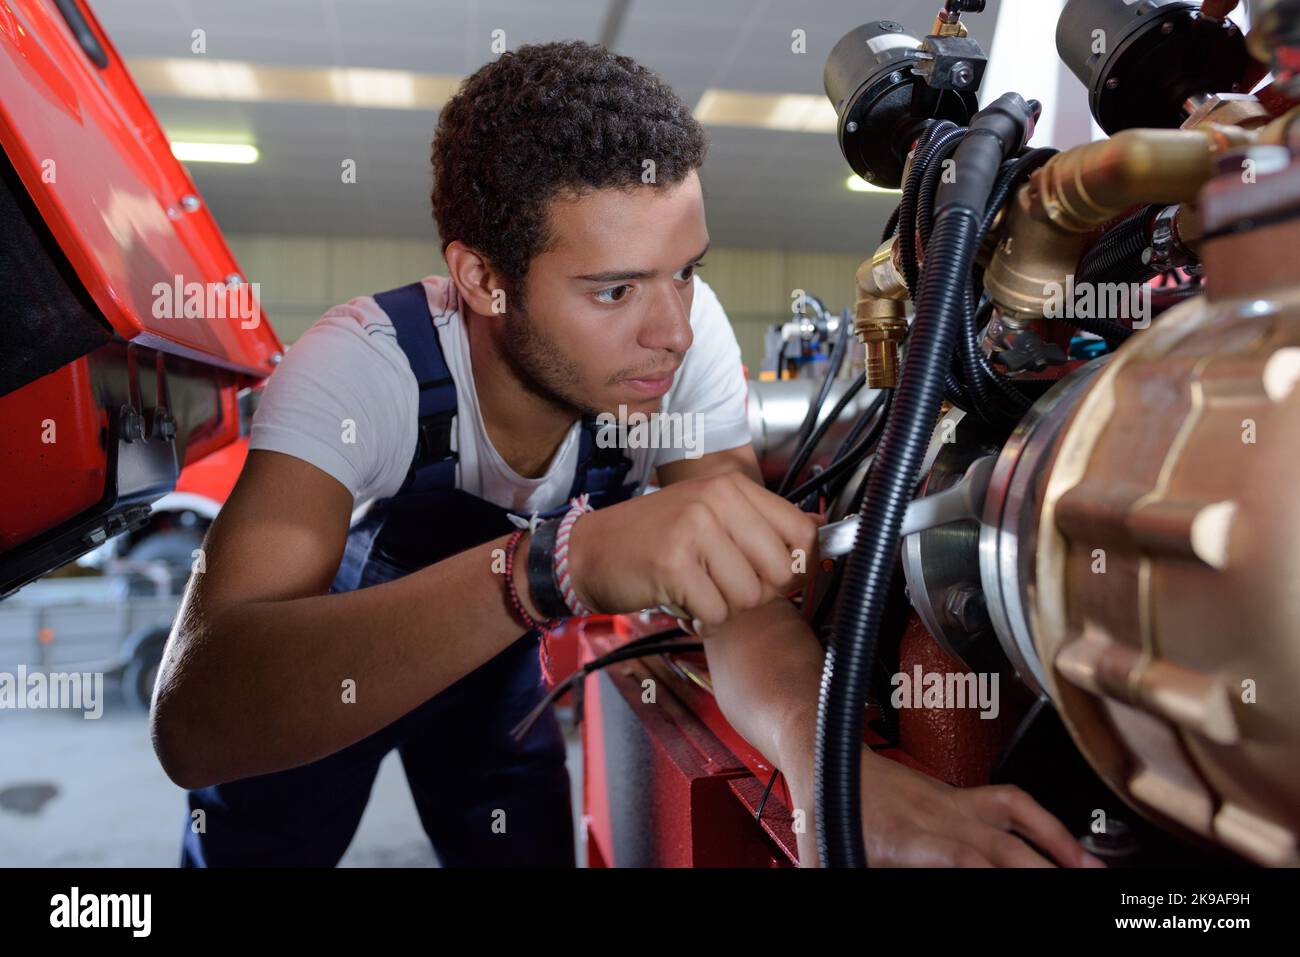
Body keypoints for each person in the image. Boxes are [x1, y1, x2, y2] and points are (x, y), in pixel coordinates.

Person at [151, 40, 1102, 869]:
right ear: (482, 277)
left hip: (490, 680)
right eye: (614, 291)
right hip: (327, 668)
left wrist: (830, 775)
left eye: (686, 271)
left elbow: (743, 603)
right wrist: (554, 566)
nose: (674, 332)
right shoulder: (364, 369)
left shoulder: (677, 346)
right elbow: (196, 720)